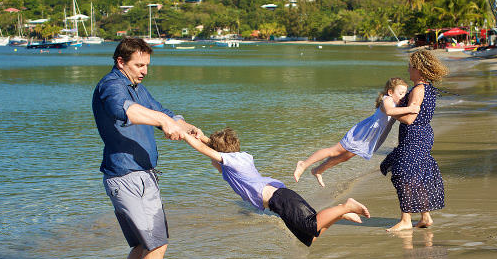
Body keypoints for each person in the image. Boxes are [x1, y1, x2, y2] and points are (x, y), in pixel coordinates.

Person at [92, 37, 203, 259]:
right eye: (139, 65)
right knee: (156, 244)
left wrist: (190, 129)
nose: (144, 71)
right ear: (121, 62)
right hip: (127, 176)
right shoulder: (111, 86)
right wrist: (163, 122)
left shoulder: (137, 88)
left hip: (142, 175)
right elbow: (126, 110)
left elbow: (164, 113)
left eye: (147, 65)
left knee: (144, 243)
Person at [182, 128, 370, 246]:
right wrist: (202, 136)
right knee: (309, 237)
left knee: (311, 225)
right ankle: (340, 214)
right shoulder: (236, 161)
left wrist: (184, 136)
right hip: (279, 199)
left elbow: (206, 151)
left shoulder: (233, 160)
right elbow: (214, 151)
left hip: (279, 198)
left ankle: (345, 206)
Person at [293, 77, 419, 187]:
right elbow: (389, 111)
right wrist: (411, 108)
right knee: (335, 151)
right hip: (363, 132)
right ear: (390, 92)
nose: (403, 96)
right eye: (401, 93)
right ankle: (303, 164)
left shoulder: (397, 104)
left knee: (345, 157)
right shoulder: (388, 100)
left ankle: (318, 170)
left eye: (405, 93)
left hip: (370, 136)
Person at [380, 49, 448, 232]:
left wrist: (390, 113)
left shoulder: (418, 90)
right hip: (422, 134)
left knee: (403, 175)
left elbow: (410, 118)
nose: (408, 70)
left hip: (414, 136)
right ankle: (425, 217)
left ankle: (406, 220)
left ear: (419, 69)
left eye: (410, 67)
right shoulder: (428, 88)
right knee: (416, 174)